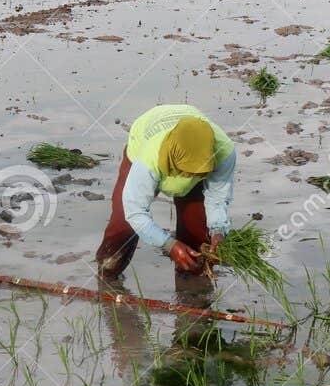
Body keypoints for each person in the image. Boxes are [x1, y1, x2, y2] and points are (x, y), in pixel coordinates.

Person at [96, 104, 237, 277]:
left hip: (198, 151)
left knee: (196, 236)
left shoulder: (223, 153)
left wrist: (218, 231)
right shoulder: (149, 159)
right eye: (186, 171)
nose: (189, 178)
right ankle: (108, 277)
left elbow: (217, 198)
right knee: (122, 225)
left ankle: (192, 292)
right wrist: (168, 244)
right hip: (148, 137)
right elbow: (135, 212)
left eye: (197, 173)